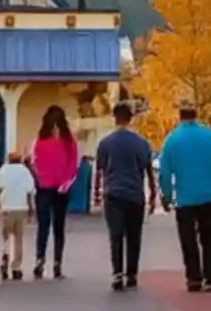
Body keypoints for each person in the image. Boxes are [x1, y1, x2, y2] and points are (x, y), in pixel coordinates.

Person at [158, 101, 211, 293]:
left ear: (180, 116)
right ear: (196, 114)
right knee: (209, 236)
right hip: (209, 194)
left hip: (185, 197)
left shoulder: (172, 140)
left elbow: (165, 172)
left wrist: (166, 196)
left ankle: (194, 278)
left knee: (187, 237)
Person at [93, 102, 157, 291]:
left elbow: (100, 171)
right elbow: (148, 172)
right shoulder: (142, 143)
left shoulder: (105, 143)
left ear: (115, 118)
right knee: (134, 236)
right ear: (131, 119)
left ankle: (117, 274)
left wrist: (97, 194)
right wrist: (153, 195)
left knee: (116, 235)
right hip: (135, 194)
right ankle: (132, 274)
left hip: (113, 194)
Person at [29, 104, 79, 280]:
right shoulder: (69, 141)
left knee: (43, 226)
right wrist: (66, 182)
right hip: (61, 188)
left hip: (43, 188)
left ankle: (40, 259)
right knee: (59, 226)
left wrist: (40, 179)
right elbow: (74, 164)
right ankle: (57, 263)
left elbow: (33, 163)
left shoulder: (39, 140)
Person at [0, 150, 36, 281]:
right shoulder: (25, 172)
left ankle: (5, 256)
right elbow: (30, 191)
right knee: (19, 238)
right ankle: (16, 267)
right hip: (21, 208)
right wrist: (31, 208)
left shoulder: (3, 171)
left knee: (6, 236)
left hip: (7, 209)